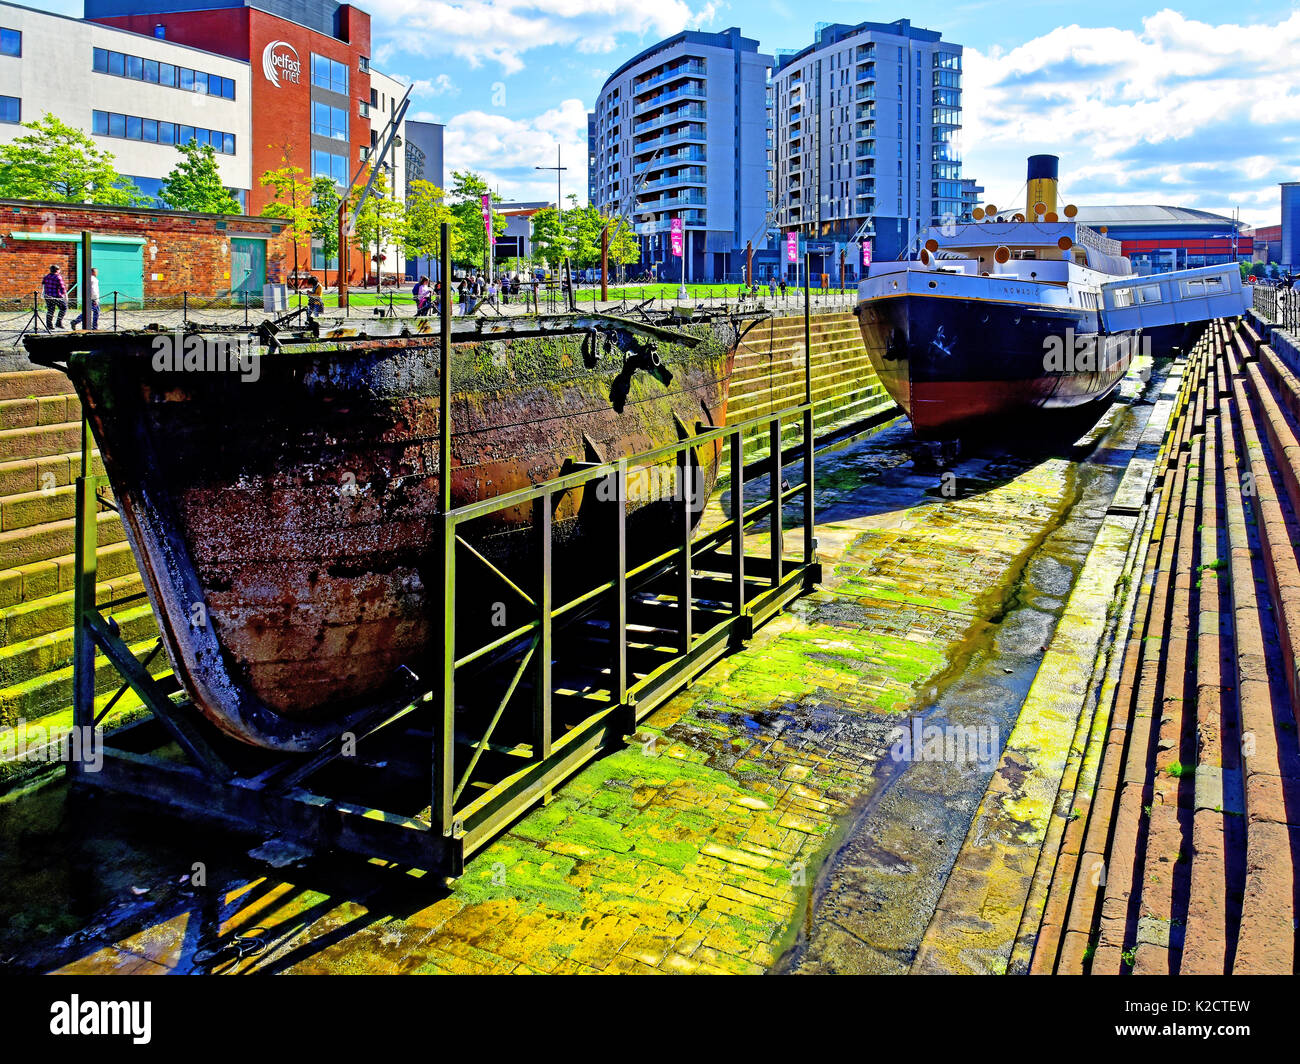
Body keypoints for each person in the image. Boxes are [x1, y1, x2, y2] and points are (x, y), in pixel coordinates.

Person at [42, 264, 68, 330]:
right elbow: (62, 288)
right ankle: (58, 323)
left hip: (48, 296)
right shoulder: (58, 277)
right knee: (63, 308)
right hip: (57, 296)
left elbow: (43, 285)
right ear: (57, 270)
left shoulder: (46, 276)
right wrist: (65, 296)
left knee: (50, 310)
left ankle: (49, 325)